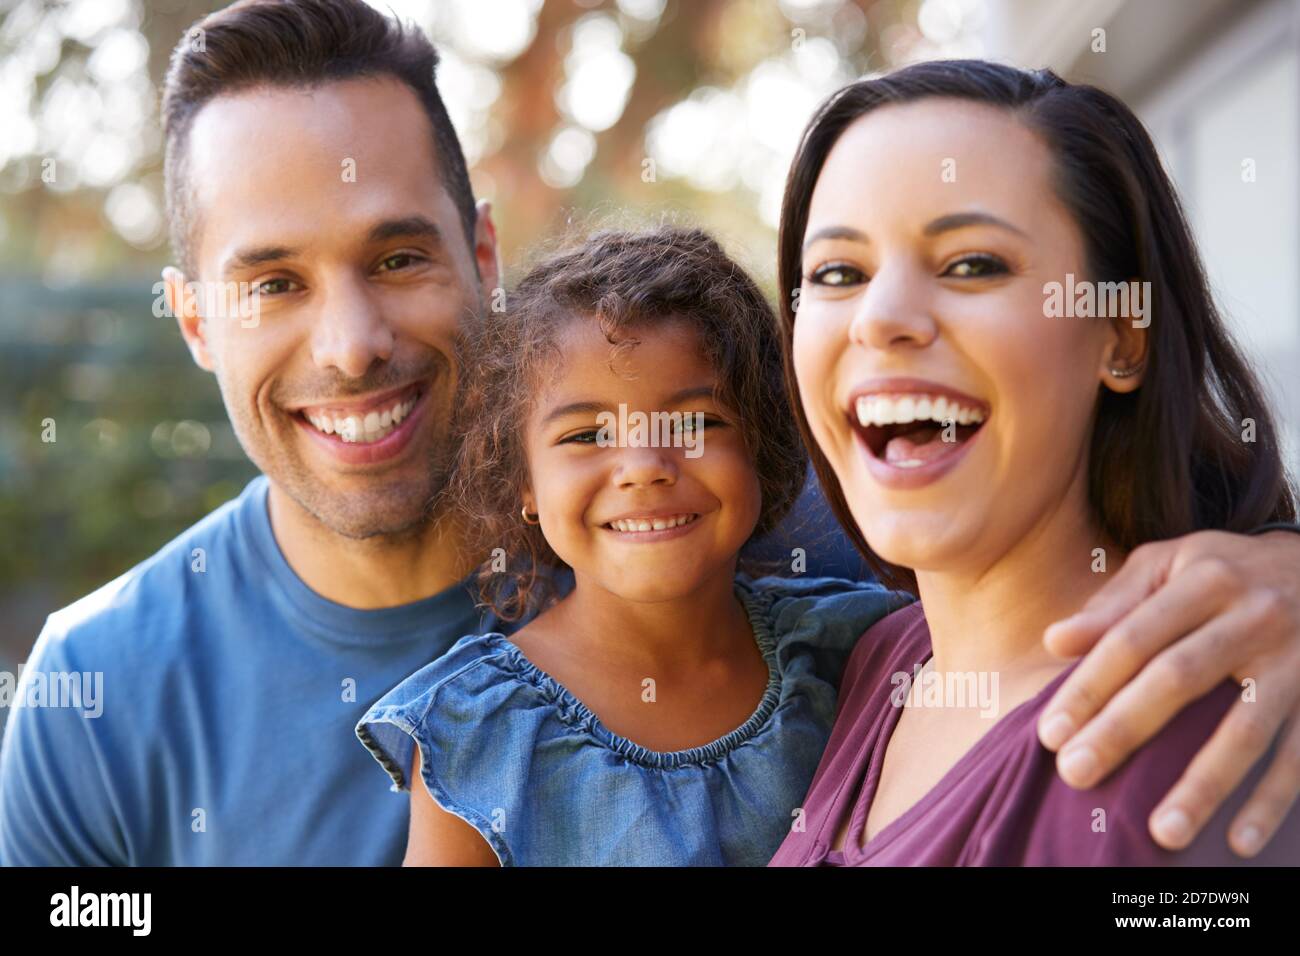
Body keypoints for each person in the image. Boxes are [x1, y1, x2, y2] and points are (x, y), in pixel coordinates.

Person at [3, 0, 1299, 867]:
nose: (349, 342)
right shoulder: (94, 708)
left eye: (397, 255)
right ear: (190, 320)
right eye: (271, 281)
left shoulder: (801, 557)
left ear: (483, 255)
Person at [768, 60, 1300, 865]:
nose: (880, 320)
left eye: (973, 264)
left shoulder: (1183, 743)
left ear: (1121, 335)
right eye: (839, 273)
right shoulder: (878, 659)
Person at [355, 227, 913, 865]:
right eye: (588, 434)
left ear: (763, 447)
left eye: (696, 423)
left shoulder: (859, 654)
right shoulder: (476, 730)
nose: (643, 467)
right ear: (523, 480)